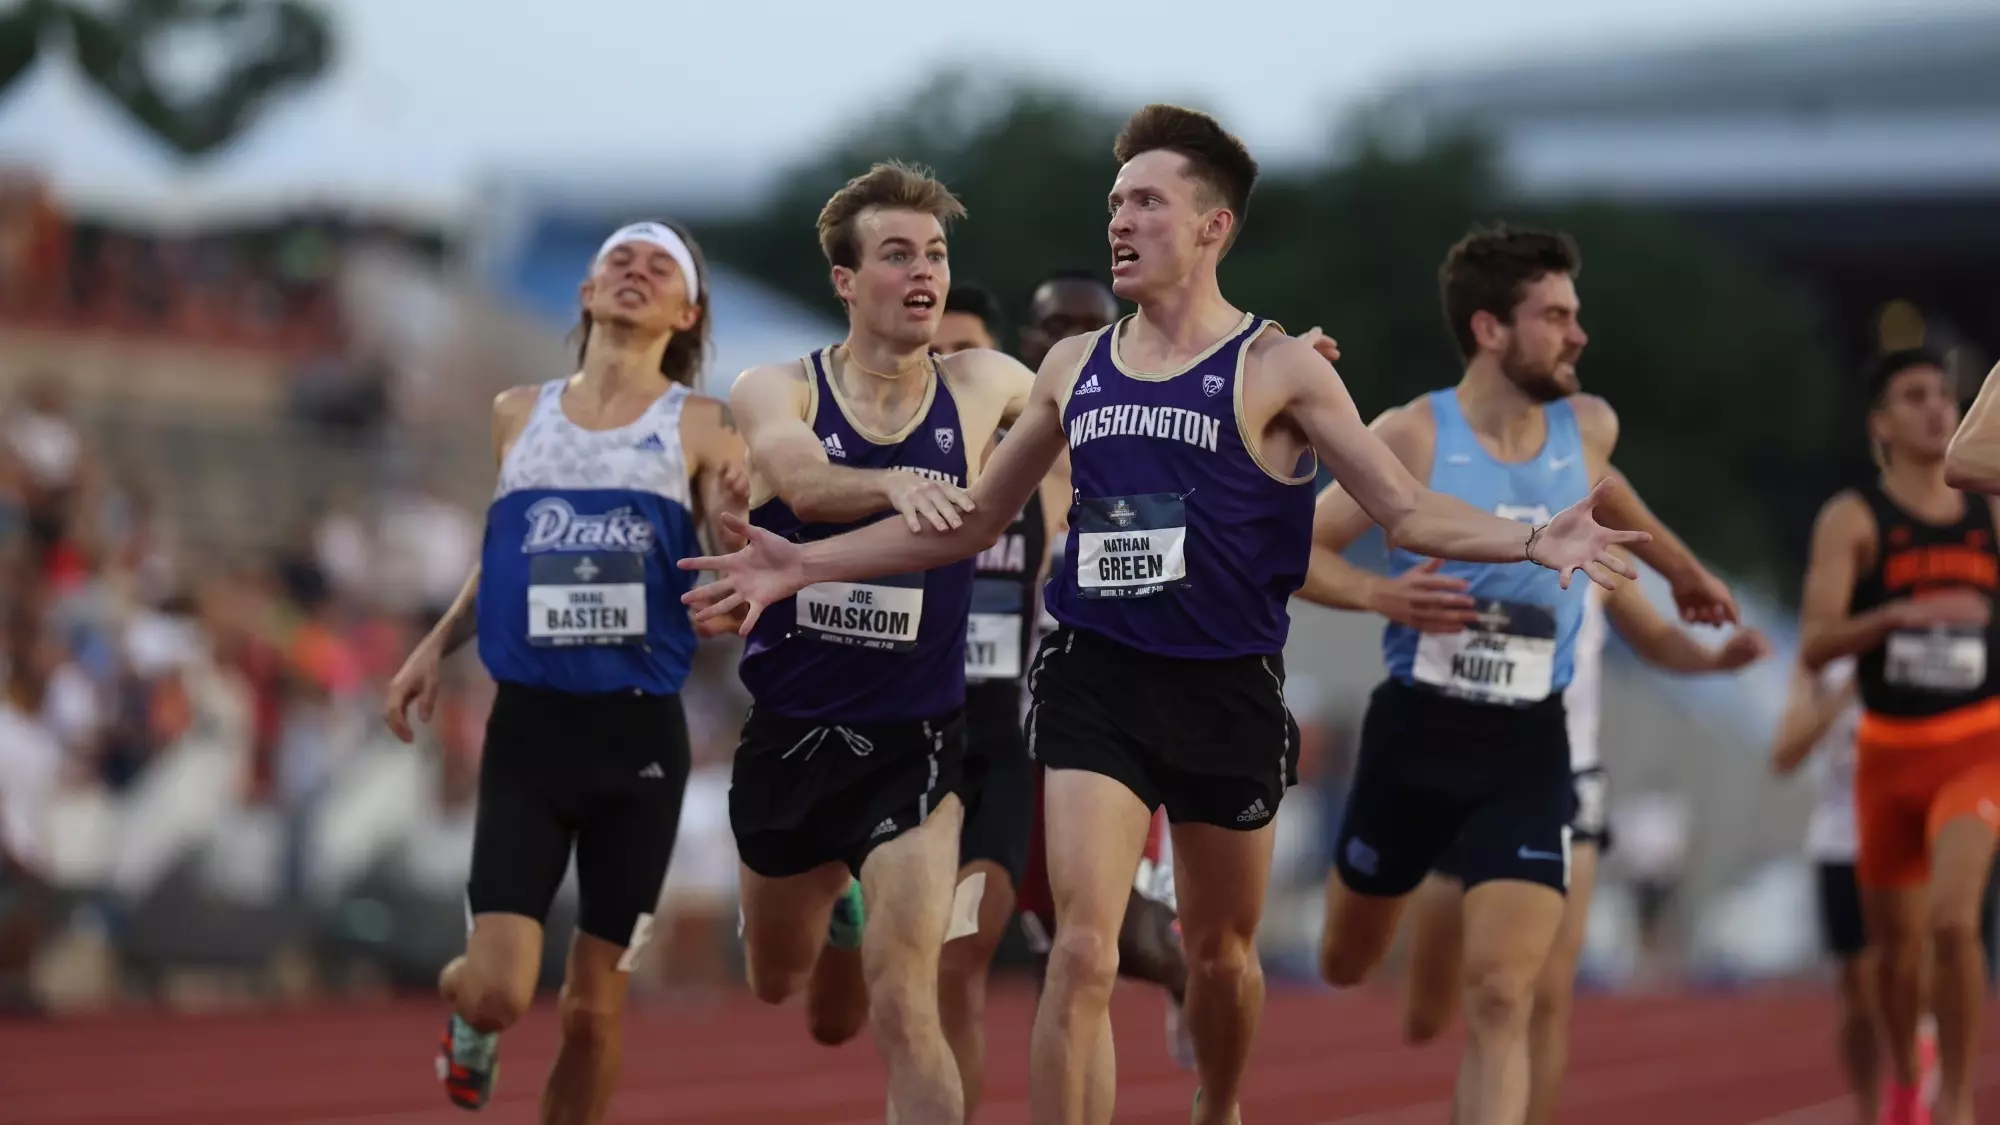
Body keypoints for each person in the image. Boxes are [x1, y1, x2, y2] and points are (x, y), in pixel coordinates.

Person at [681, 105, 1651, 1125]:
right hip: (1095, 680)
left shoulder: (1278, 367)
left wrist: (1534, 538)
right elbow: (966, 527)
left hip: (1228, 689)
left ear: (1210, 228)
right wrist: (801, 564)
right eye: (1113, 203)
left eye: (1146, 201)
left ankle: (1218, 1101)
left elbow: (1398, 507)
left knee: (1220, 957)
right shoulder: (1072, 368)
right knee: (1084, 951)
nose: (1120, 220)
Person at [1296, 226, 1743, 1125]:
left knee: (1506, 998)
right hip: (1416, 734)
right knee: (1347, 960)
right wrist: (1383, 598)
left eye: (1576, 316)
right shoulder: (1411, 433)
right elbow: (1296, 550)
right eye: (1557, 317)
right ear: (1491, 328)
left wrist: (1685, 570)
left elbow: (1603, 487)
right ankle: (1426, 903)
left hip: (1530, 743)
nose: (1578, 335)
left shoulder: (1589, 425)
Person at [381, 220, 747, 1121]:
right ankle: (469, 1018)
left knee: (592, 1010)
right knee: (503, 991)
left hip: (639, 743)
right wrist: (434, 645)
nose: (633, 269)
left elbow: (736, 556)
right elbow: (503, 553)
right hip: (532, 732)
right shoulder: (518, 411)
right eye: (616, 258)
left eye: (658, 265)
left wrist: (738, 536)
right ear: (585, 294)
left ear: (685, 310)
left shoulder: (700, 423)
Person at [723, 162, 1040, 1125]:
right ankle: (832, 916)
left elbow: (1109, 395)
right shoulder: (778, 386)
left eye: (936, 254)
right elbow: (803, 483)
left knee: (910, 1003)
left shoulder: (984, 383)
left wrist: (1255, 370)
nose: (923, 272)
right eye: (896, 253)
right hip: (790, 732)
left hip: (916, 740)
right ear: (845, 280)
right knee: (780, 983)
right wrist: (897, 481)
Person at [1372, 566, 1766, 1125]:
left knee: (1535, 1000)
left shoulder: (1594, 545)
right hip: (1457, 779)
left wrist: (1713, 661)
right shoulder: (1454, 510)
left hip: (1563, 781)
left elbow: (1653, 636)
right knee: (1426, 1014)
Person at [1797, 348, 2000, 1125]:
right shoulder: (1855, 518)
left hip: (1977, 745)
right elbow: (1815, 645)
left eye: (1944, 395)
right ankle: (1907, 1085)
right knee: (1895, 961)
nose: (1935, 409)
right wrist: (1898, 615)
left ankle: (1954, 1100)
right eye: (1914, 397)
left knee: (1955, 922)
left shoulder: (1986, 509)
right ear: (1880, 422)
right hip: (1887, 755)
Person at [1009, 270, 1198, 1073]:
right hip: (993, 724)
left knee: (1117, 942)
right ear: (1028, 344)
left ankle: (1187, 974)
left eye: (1091, 326)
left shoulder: (1133, 451)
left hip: (1105, 720)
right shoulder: (993, 450)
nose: (1071, 342)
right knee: (1050, 939)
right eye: (1056, 327)